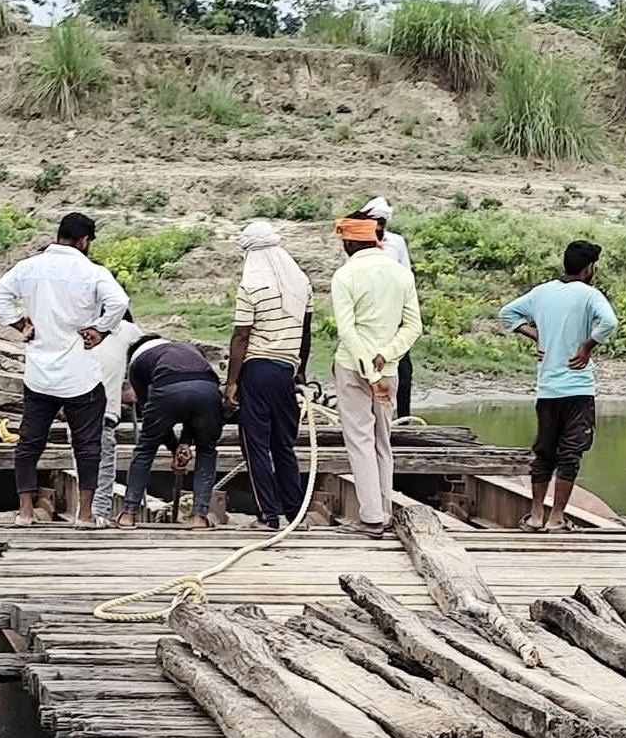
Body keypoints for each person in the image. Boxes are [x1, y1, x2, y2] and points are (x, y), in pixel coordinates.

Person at [0, 212, 129, 528]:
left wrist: (21, 323)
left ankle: (24, 512)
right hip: (80, 376)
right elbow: (119, 302)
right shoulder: (92, 272)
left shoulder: (29, 268)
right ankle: (85, 515)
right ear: (84, 241)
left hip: (40, 374)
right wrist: (101, 330)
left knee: (29, 443)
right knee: (88, 446)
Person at [499, 240, 618, 532]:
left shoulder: (541, 293)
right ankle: (556, 519)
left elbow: (507, 314)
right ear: (589, 268)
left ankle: (536, 515)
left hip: (548, 389)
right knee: (570, 454)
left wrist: (537, 335)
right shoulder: (589, 295)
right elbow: (610, 323)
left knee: (544, 453)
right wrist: (588, 346)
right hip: (578, 389)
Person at [331, 212, 423, 537]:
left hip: (353, 368)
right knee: (383, 442)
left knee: (360, 440)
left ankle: (371, 518)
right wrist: (387, 355)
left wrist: (369, 370)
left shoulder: (345, 275)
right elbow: (414, 326)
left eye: (345, 241)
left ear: (353, 241)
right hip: (389, 369)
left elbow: (347, 331)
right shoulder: (401, 274)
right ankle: (384, 512)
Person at [224, 221, 313, 530]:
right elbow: (306, 332)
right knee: (284, 445)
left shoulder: (251, 285)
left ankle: (268, 515)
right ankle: (294, 513)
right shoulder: (301, 282)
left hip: (257, 370)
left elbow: (241, 337)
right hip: (286, 371)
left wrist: (231, 381)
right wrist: (300, 369)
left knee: (256, 445)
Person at [118, 336, 224, 529]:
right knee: (206, 450)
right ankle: (200, 516)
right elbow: (194, 388)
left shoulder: (137, 363)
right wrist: (182, 444)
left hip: (168, 388)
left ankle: (128, 514)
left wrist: (175, 446)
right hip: (208, 389)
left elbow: (154, 416)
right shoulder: (189, 348)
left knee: (146, 449)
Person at [87, 311, 143, 525]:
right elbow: (143, 354)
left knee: (84, 461)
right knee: (104, 464)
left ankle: (85, 513)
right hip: (104, 412)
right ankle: (99, 513)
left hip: (75, 408)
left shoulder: (82, 331)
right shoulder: (127, 328)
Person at [361, 196, 416, 417]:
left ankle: (403, 418)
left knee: (402, 368)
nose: (380, 227)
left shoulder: (397, 242)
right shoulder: (357, 242)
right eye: (376, 222)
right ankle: (369, 413)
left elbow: (406, 276)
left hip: (394, 312)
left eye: (382, 222)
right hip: (368, 312)